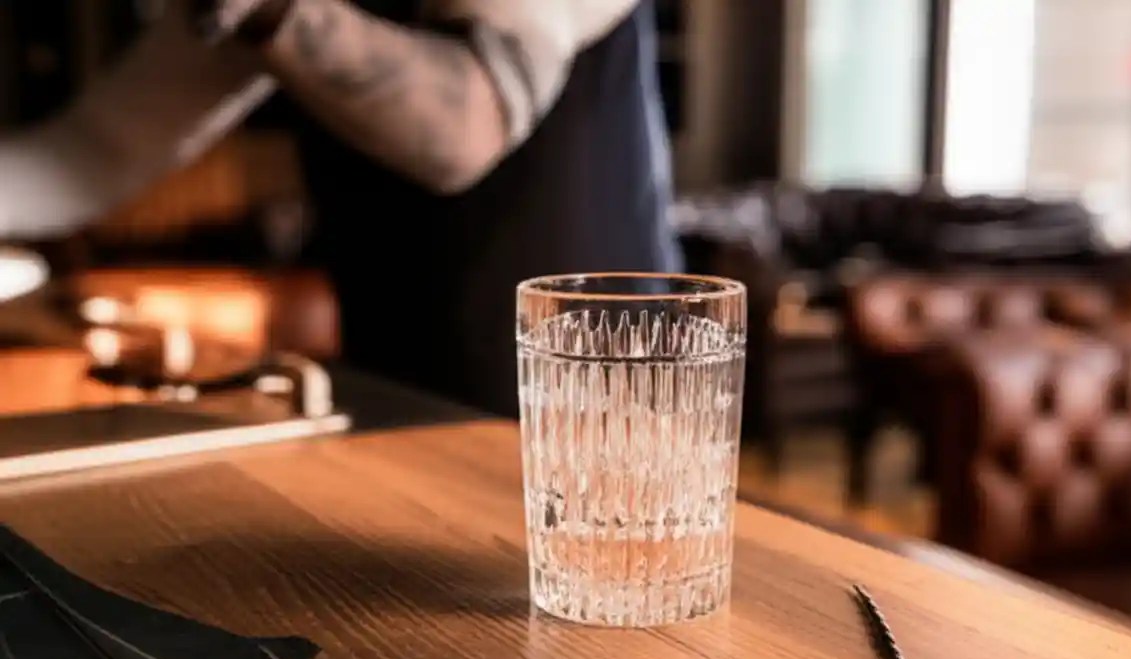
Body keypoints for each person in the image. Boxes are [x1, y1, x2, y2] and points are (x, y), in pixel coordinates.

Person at [0, 0, 681, 416]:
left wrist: (276, 10)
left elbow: (463, 129)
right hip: (395, 375)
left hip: (600, 392)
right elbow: (90, 151)